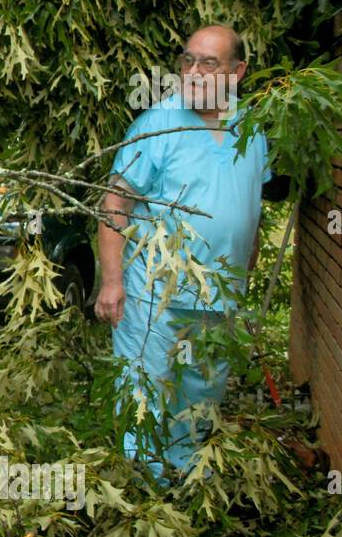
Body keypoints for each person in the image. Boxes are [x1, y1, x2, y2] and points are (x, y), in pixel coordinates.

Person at [94, 24, 271, 480]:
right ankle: (141, 487)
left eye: (208, 63)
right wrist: (112, 283)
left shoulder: (250, 127)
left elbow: (251, 203)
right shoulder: (158, 123)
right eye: (187, 61)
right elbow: (115, 203)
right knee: (144, 387)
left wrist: (245, 269)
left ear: (237, 71)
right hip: (154, 292)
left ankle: (186, 476)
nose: (193, 72)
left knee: (201, 390)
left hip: (218, 294)